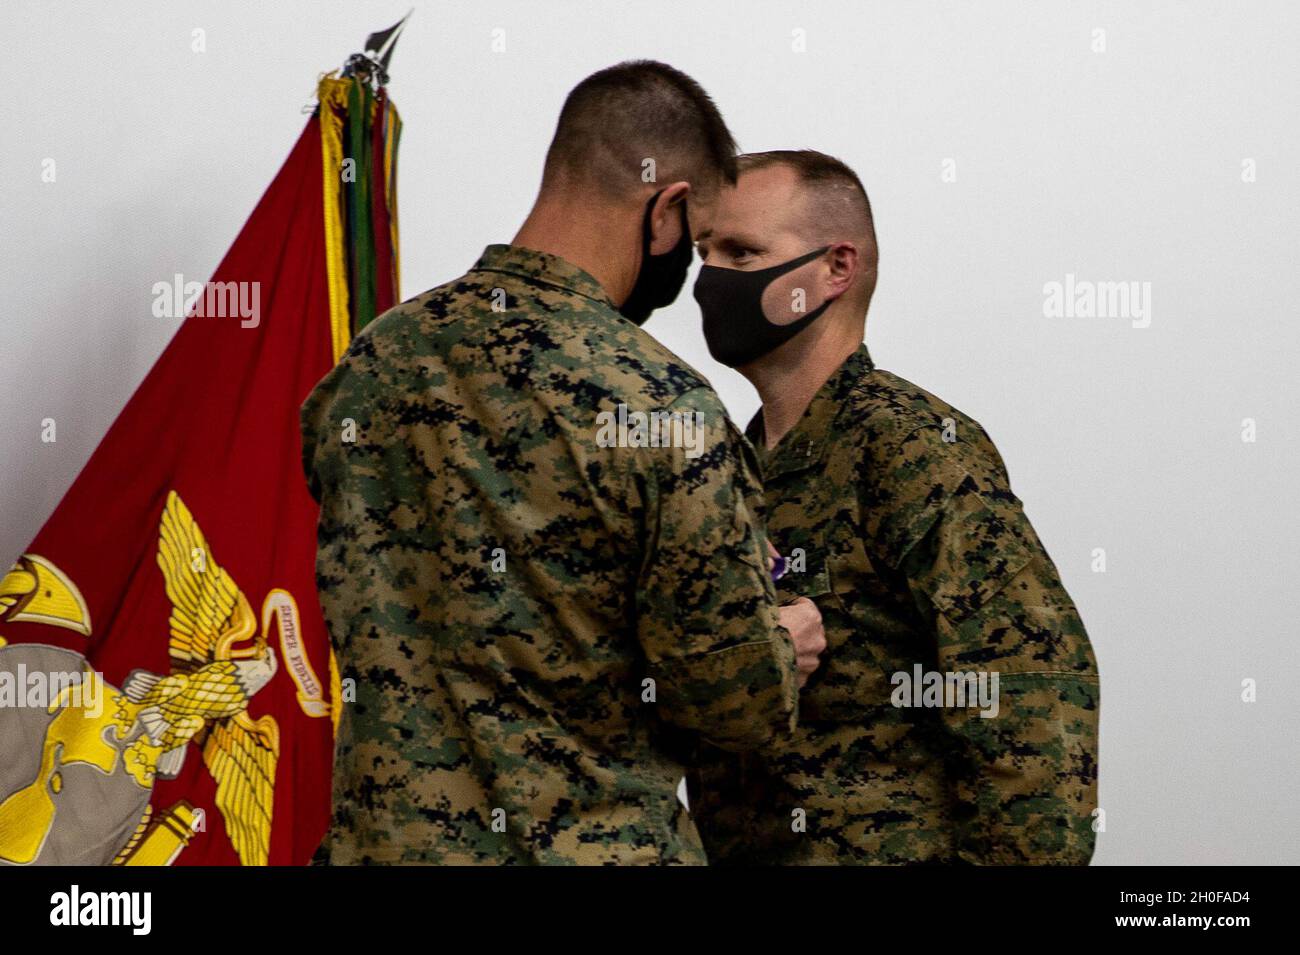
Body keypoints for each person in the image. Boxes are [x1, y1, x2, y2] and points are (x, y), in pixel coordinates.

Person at [300, 64, 825, 865]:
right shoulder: (662, 407)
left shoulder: (371, 363)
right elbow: (732, 701)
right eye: (697, 232)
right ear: (668, 209)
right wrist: (781, 646)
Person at [687, 149, 1099, 864]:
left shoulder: (908, 446)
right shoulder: (733, 467)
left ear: (836, 268)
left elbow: (1033, 696)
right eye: (704, 252)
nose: (710, 279)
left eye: (742, 252)